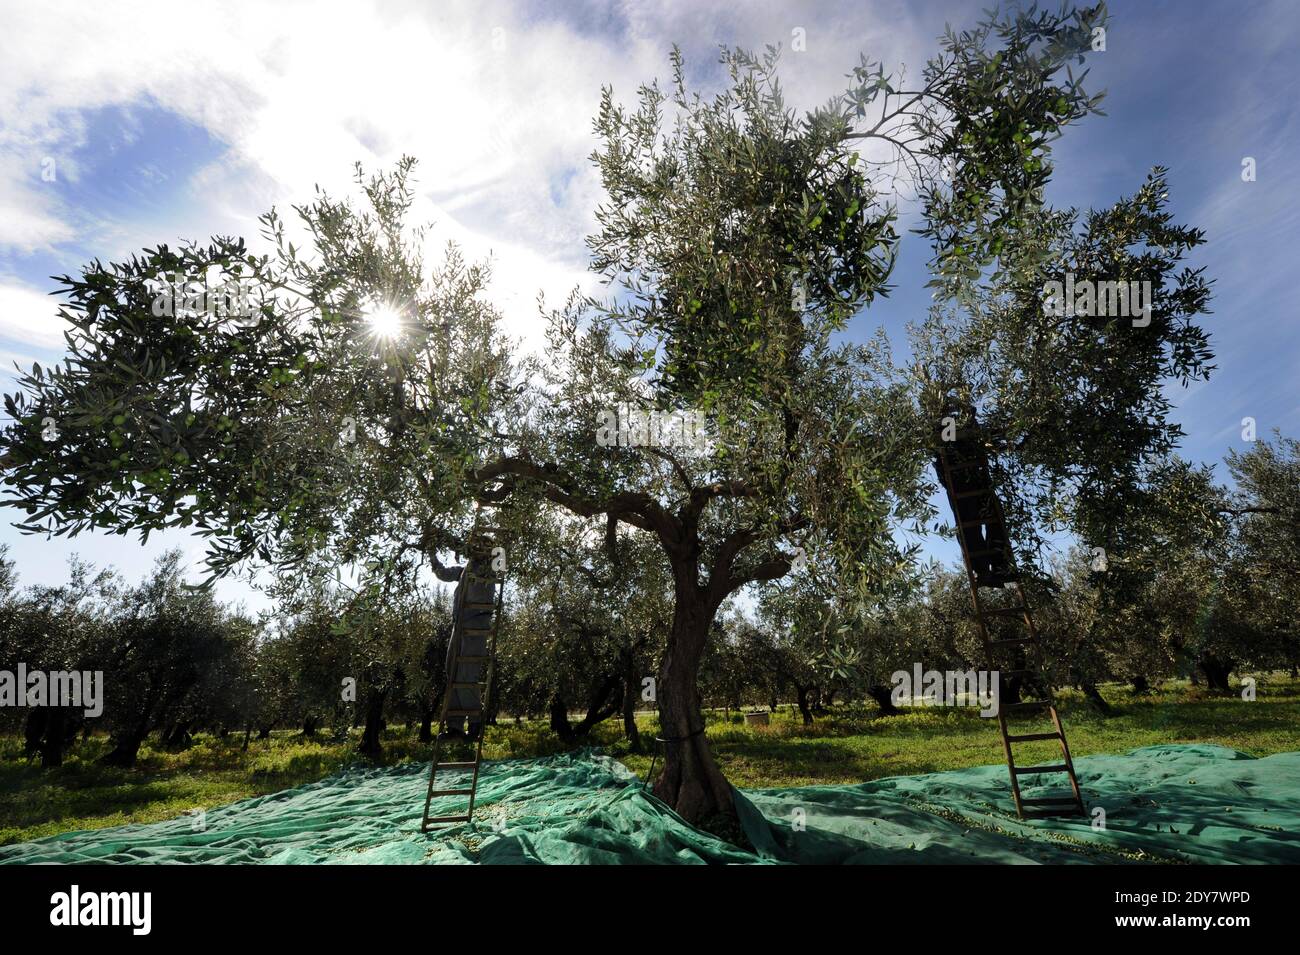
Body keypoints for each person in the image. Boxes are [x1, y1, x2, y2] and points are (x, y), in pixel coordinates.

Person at [440, 543, 498, 742]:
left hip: (476, 623)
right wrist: (431, 553)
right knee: (452, 672)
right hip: (459, 623)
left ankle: (475, 722)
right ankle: (455, 727)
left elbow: (501, 561)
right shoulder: (465, 570)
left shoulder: (489, 567)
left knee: (466, 674)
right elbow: (443, 574)